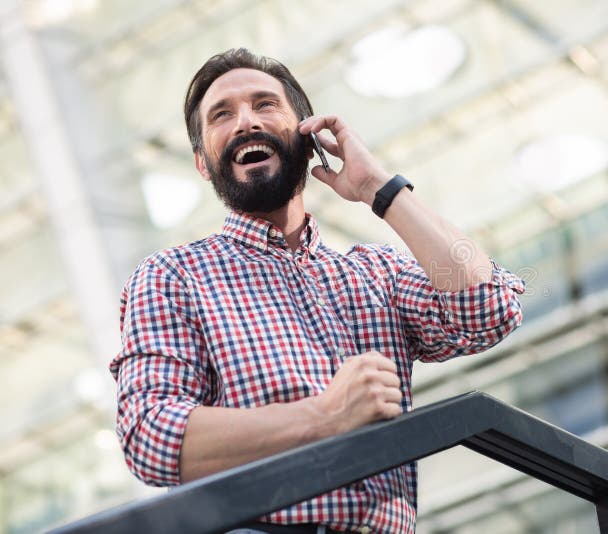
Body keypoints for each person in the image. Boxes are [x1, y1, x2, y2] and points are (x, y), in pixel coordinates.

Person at [111, 48, 524, 534]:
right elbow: (152, 435)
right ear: (204, 163)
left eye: (265, 104)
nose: (245, 121)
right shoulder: (174, 275)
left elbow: (488, 308)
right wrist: (323, 416)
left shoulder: (375, 273)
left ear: (309, 141)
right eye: (222, 114)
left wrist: (378, 188)